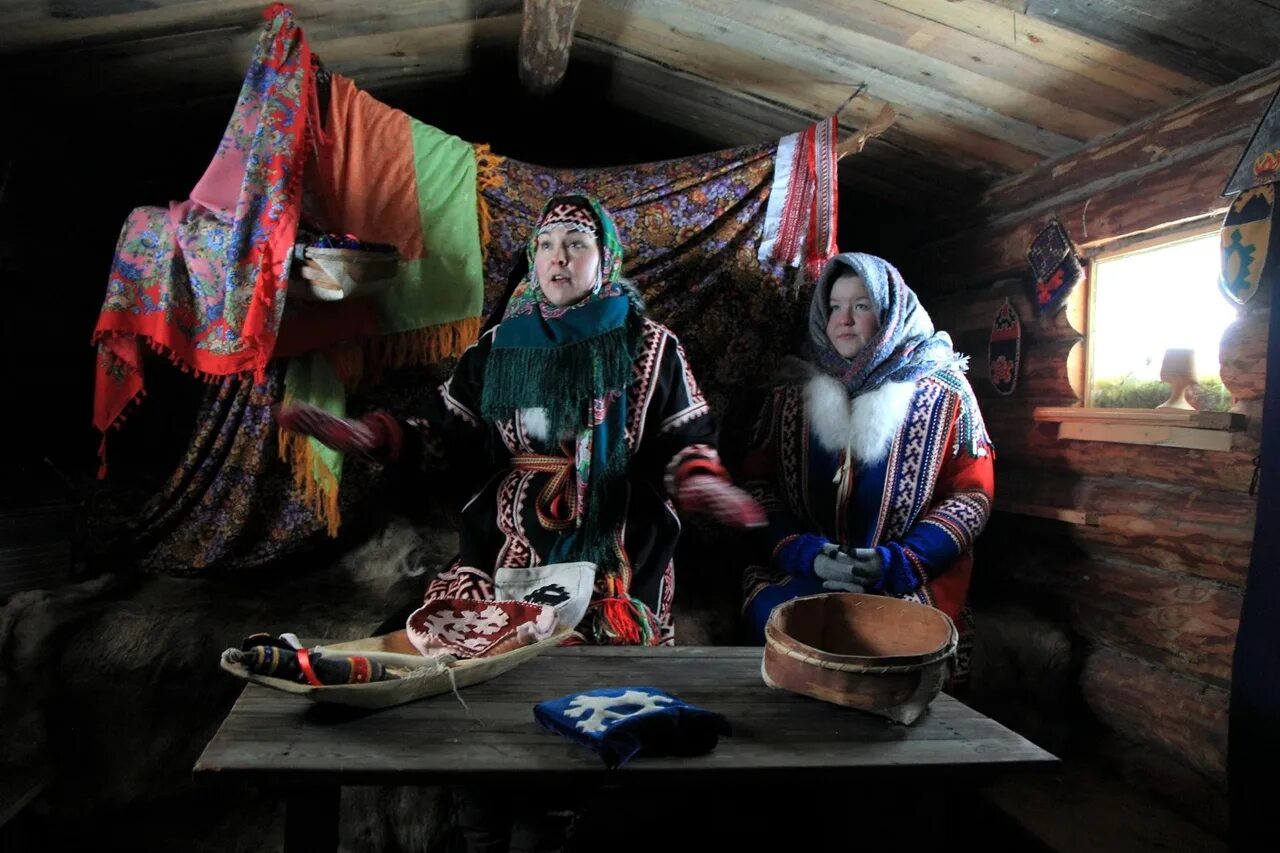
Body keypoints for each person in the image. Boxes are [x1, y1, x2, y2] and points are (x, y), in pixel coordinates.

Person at [277, 193, 763, 646]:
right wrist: (376, 436)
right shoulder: (498, 348)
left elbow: (685, 438)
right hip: (509, 534)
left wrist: (699, 479)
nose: (559, 258)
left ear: (606, 258)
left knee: (596, 655)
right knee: (440, 641)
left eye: (577, 244)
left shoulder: (652, 346)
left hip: (617, 538)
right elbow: (446, 435)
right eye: (546, 245)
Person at [740, 252, 993, 669]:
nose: (843, 320)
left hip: (909, 578)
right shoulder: (790, 395)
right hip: (804, 572)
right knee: (786, 627)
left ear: (890, 313)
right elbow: (757, 488)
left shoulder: (946, 393)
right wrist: (800, 552)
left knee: (898, 644)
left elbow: (971, 498)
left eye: (860, 306)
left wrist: (897, 562)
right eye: (834, 307)